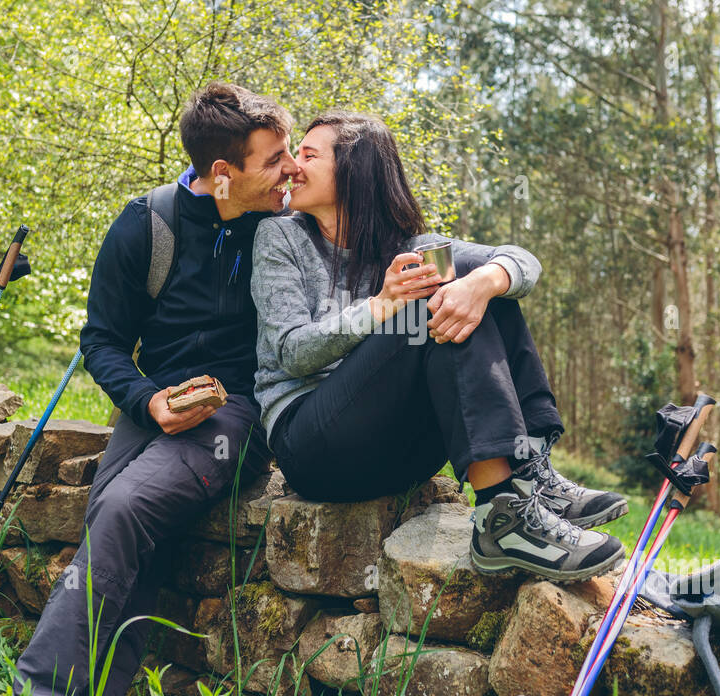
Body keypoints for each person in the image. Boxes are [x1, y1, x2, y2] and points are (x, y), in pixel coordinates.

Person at [13, 82, 296, 696]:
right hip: (157, 414)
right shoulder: (148, 225)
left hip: (241, 419)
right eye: (275, 159)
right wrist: (150, 402)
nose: (292, 169)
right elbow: (103, 340)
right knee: (123, 539)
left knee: (118, 510)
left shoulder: (287, 229)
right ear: (222, 172)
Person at [251, 111, 628, 582]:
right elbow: (290, 350)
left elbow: (521, 261)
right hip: (313, 447)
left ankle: (530, 472)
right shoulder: (280, 236)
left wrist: (487, 282)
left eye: (309, 155)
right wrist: (382, 305)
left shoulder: (410, 247)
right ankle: (501, 519)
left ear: (354, 171)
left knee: (480, 290)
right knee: (432, 299)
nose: (293, 166)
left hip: (402, 454)